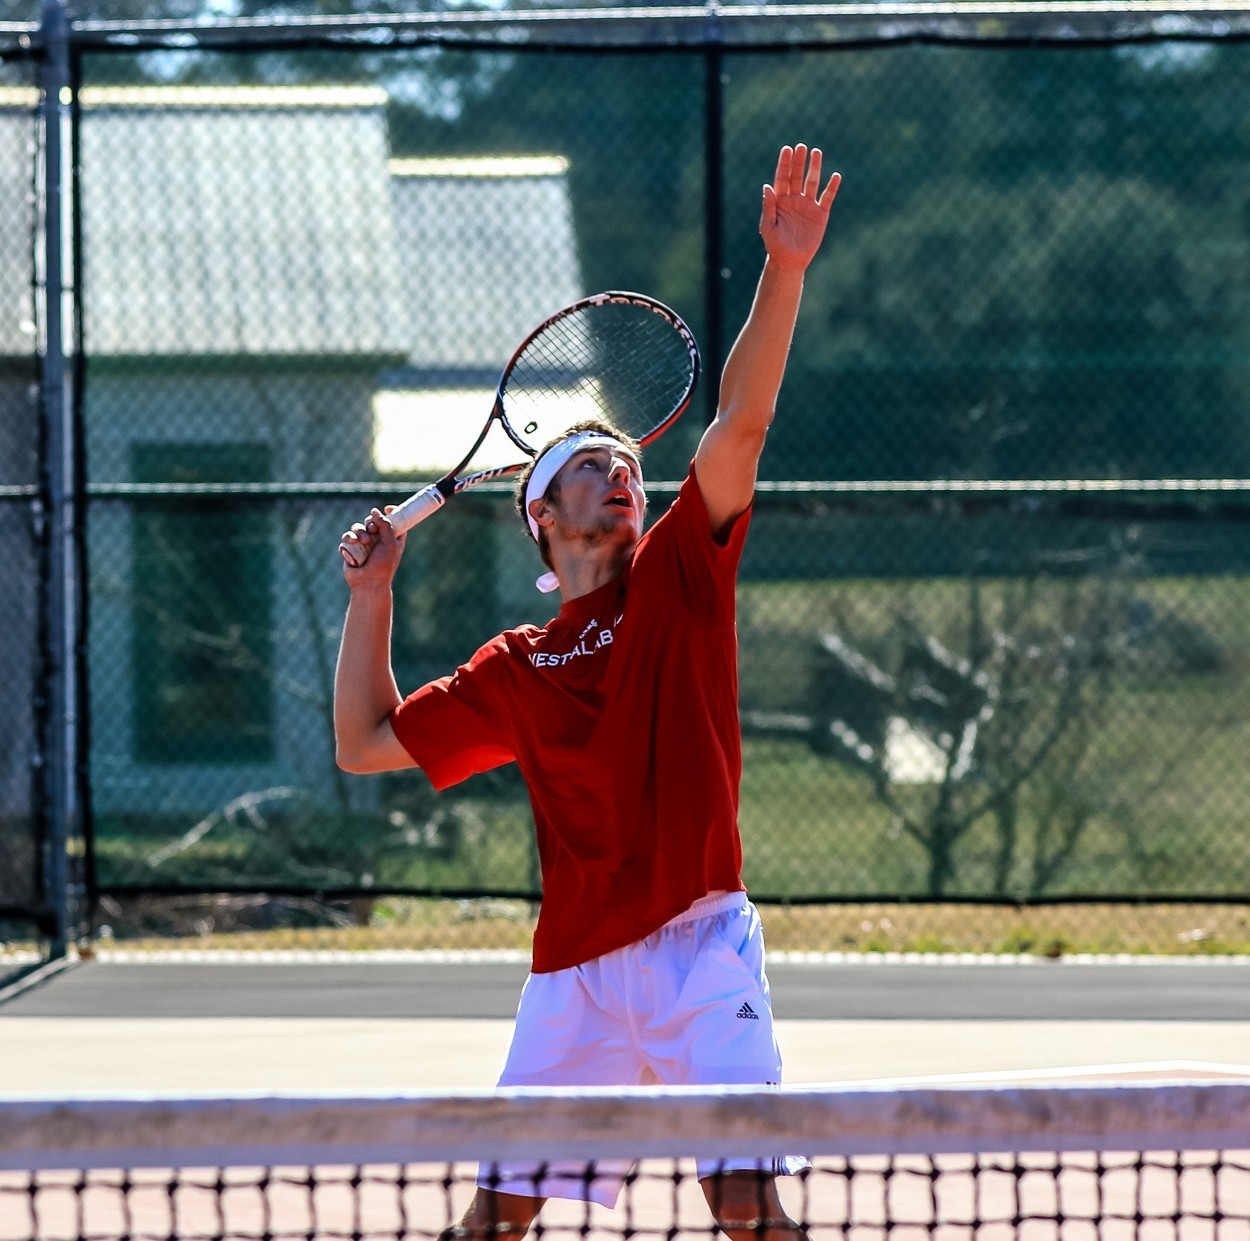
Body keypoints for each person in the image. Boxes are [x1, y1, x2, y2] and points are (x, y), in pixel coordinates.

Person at [334, 143, 840, 1240]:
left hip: (703, 947)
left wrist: (784, 269)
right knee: (492, 1221)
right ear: (543, 519)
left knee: (749, 1212)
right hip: (573, 975)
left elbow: (741, 423)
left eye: (626, 465)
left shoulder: (679, 575)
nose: (618, 471)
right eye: (586, 465)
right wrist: (371, 594)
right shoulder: (512, 666)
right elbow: (365, 741)